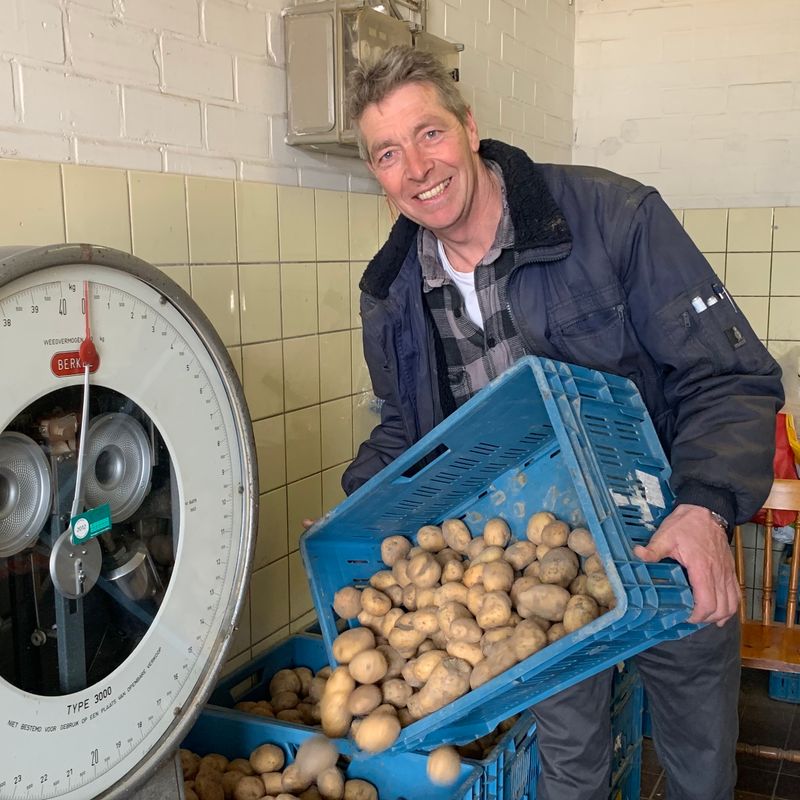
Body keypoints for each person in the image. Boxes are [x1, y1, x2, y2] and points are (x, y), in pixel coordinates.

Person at [339, 45, 784, 799]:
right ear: (377, 174)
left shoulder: (615, 217)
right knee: (570, 767)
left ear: (470, 127)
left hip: (665, 536)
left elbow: (731, 376)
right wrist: (356, 513)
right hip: (530, 562)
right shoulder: (391, 291)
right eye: (388, 153)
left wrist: (705, 507)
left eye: (430, 134)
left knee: (699, 767)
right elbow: (406, 429)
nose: (417, 168)